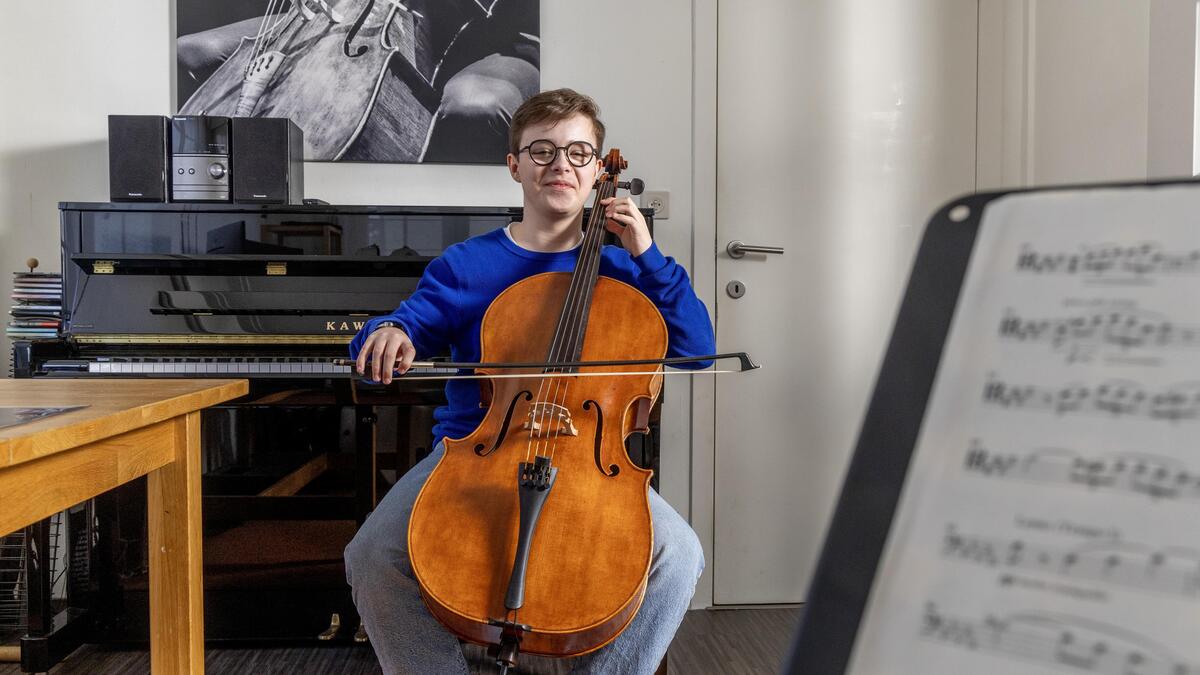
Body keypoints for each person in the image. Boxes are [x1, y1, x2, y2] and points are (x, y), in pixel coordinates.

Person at [343, 88, 714, 674]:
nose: (560, 165)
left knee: (679, 556)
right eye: (541, 151)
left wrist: (649, 253)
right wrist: (387, 333)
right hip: (472, 452)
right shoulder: (468, 264)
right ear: (514, 166)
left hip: (592, 464)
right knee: (372, 557)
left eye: (577, 152)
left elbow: (697, 351)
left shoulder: (627, 269)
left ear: (598, 170)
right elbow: (404, 322)